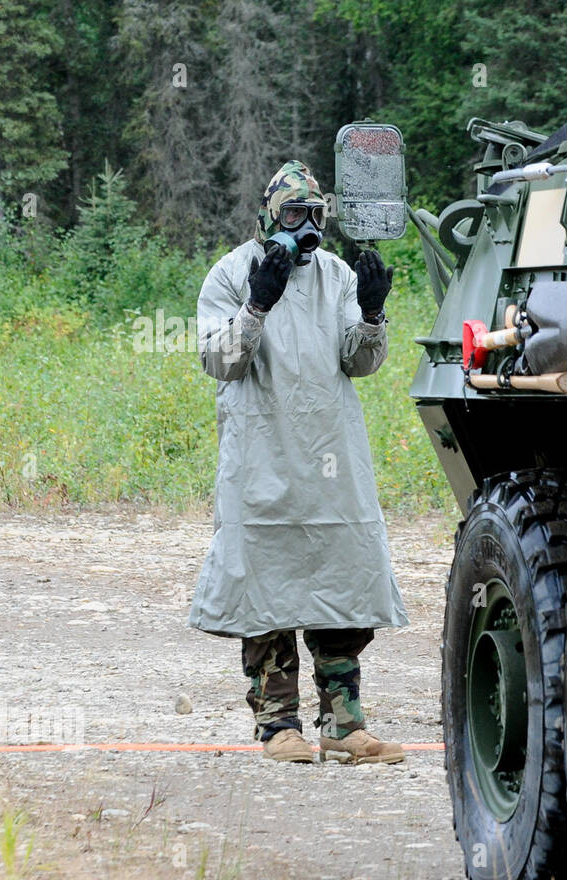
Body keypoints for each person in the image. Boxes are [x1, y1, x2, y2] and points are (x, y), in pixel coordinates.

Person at [188, 159, 409, 765]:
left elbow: (359, 363)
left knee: (340, 578)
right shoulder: (232, 274)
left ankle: (343, 723)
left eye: (314, 215)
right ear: (267, 215)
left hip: (329, 455)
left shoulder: (335, 273)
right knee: (265, 587)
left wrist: (370, 313)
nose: (304, 226)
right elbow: (219, 360)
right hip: (261, 455)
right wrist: (257, 303)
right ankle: (277, 725)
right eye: (292, 214)